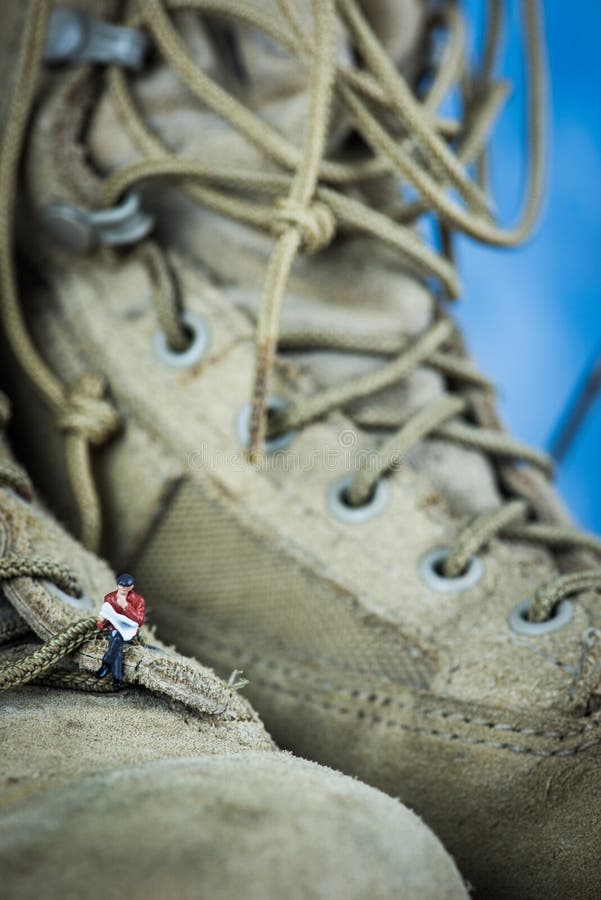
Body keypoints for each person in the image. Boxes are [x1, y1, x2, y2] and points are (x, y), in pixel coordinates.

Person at [95, 574, 145, 689]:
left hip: (129, 630)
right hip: (113, 627)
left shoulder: (138, 600)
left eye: (127, 588)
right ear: (117, 585)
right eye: (121, 587)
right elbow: (105, 612)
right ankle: (117, 677)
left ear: (131, 587)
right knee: (117, 640)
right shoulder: (109, 597)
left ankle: (106, 665)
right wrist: (100, 622)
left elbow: (140, 621)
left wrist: (126, 607)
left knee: (117, 640)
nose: (123, 590)